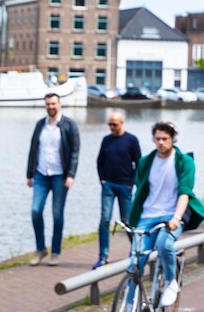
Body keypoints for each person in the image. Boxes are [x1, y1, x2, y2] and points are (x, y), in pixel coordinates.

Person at [124, 121, 204, 307]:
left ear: (173, 139)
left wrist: (176, 218)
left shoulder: (185, 162)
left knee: (164, 243)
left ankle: (170, 283)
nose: (161, 143)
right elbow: (141, 189)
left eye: (165, 139)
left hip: (172, 215)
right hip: (148, 216)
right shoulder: (145, 162)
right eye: (157, 139)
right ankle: (128, 302)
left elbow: (185, 192)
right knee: (135, 261)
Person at [26, 92, 81, 266]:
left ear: (59, 104)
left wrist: (71, 175)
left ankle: (55, 251)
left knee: (57, 214)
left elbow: (74, 152)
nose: (51, 107)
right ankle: (40, 249)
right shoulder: (40, 125)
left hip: (60, 175)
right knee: (35, 211)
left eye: (53, 104)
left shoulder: (68, 125)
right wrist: (29, 174)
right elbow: (33, 149)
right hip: (41, 174)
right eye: (48, 104)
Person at [93, 111, 141, 269]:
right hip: (108, 186)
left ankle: (136, 251)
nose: (112, 127)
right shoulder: (106, 140)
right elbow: (99, 161)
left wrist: (131, 183)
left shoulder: (131, 140)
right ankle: (103, 256)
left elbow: (139, 163)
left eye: (115, 124)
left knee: (127, 221)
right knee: (104, 220)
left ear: (122, 123)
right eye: (110, 124)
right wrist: (102, 180)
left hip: (125, 187)